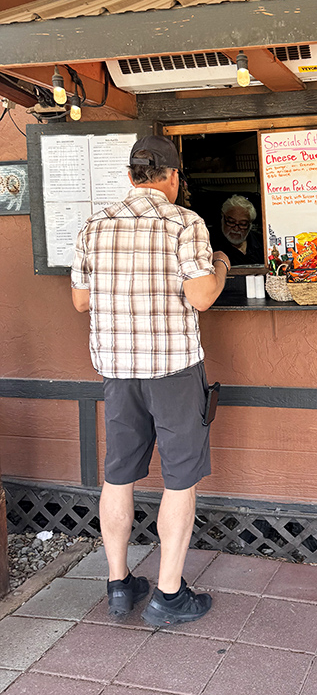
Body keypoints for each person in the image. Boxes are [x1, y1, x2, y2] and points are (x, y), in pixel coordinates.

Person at [71, 135, 231, 626]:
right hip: (173, 370)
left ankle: (119, 585)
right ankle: (168, 594)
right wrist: (221, 264)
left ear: (130, 176)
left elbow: (80, 301)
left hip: (118, 372)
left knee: (117, 475)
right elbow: (201, 296)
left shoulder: (94, 224)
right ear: (173, 177)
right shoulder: (184, 222)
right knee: (179, 480)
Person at [214, 194, 264, 265]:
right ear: (222, 218)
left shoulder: (262, 243)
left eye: (242, 224)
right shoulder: (210, 246)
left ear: (250, 224)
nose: (236, 228)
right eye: (231, 222)